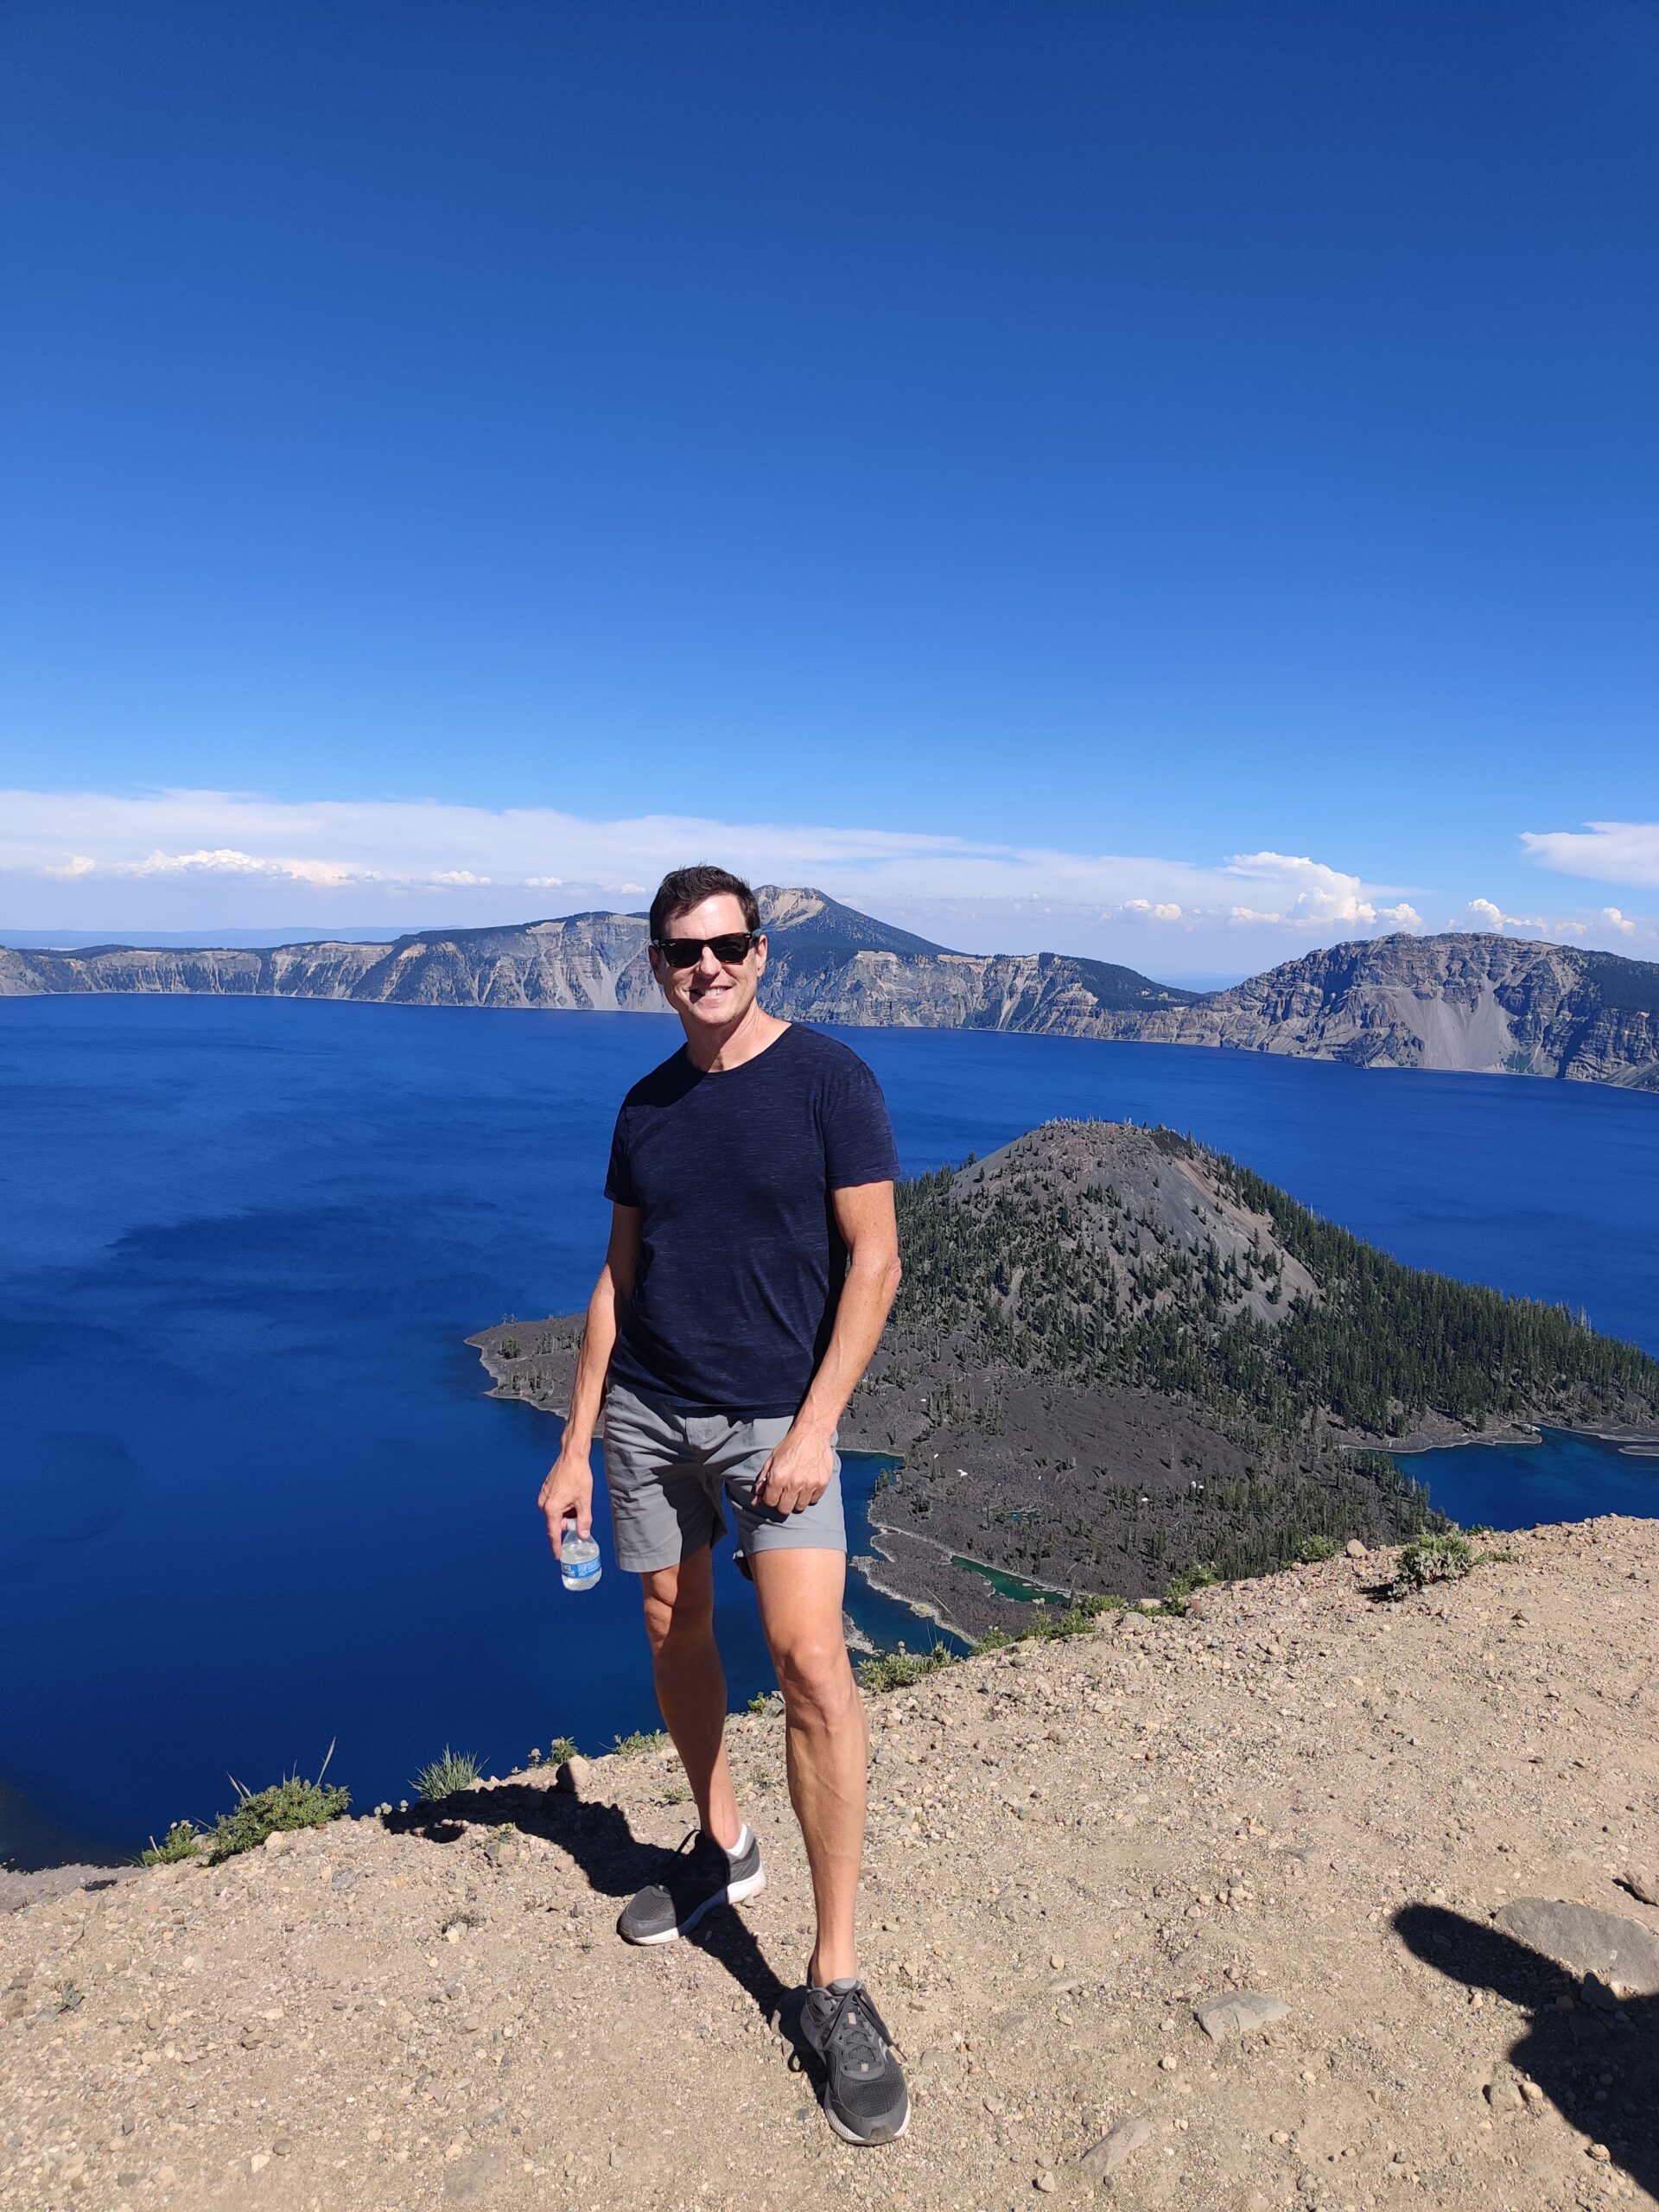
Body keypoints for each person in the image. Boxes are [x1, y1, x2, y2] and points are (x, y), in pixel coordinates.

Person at [537, 863, 910, 2147]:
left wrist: (814, 1430)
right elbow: (616, 1279)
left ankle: (836, 1979)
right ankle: (719, 1843)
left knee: (812, 1664)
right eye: (682, 953)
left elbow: (878, 1262)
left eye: (728, 946)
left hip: (773, 1426)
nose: (707, 968)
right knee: (666, 1623)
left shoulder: (830, 1083)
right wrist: (576, 1444)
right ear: (656, 965)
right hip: (646, 1413)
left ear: (764, 954)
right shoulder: (646, 1105)